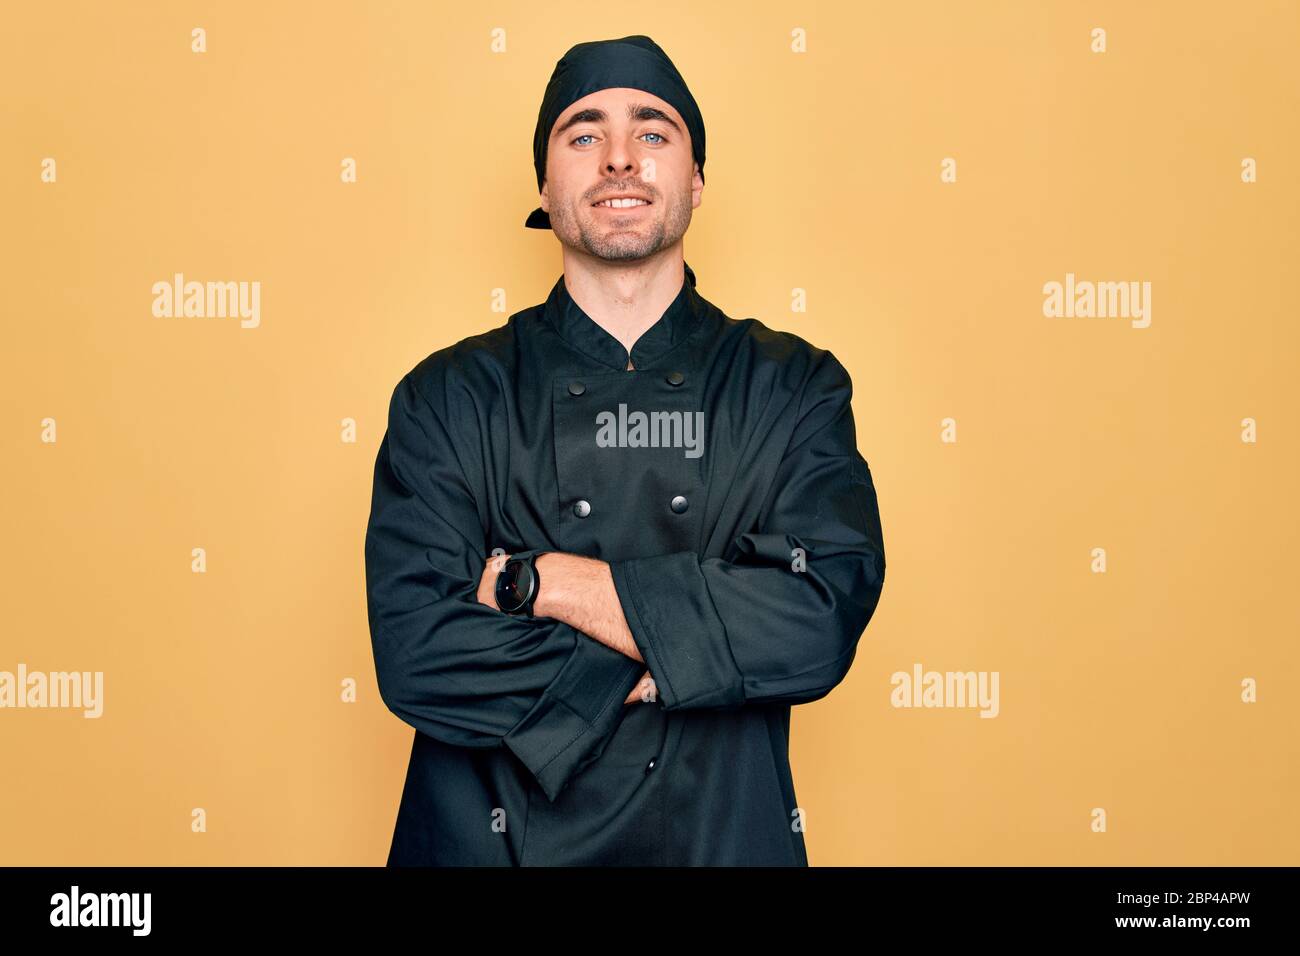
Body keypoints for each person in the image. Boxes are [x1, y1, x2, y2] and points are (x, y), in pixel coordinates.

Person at [364, 34, 886, 865]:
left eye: (652, 133)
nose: (618, 159)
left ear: (696, 179)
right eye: (582, 134)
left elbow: (817, 620)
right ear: (546, 184)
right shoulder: (448, 395)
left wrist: (544, 582)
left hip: (719, 839)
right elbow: (418, 650)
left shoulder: (792, 387)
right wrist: (676, 660)